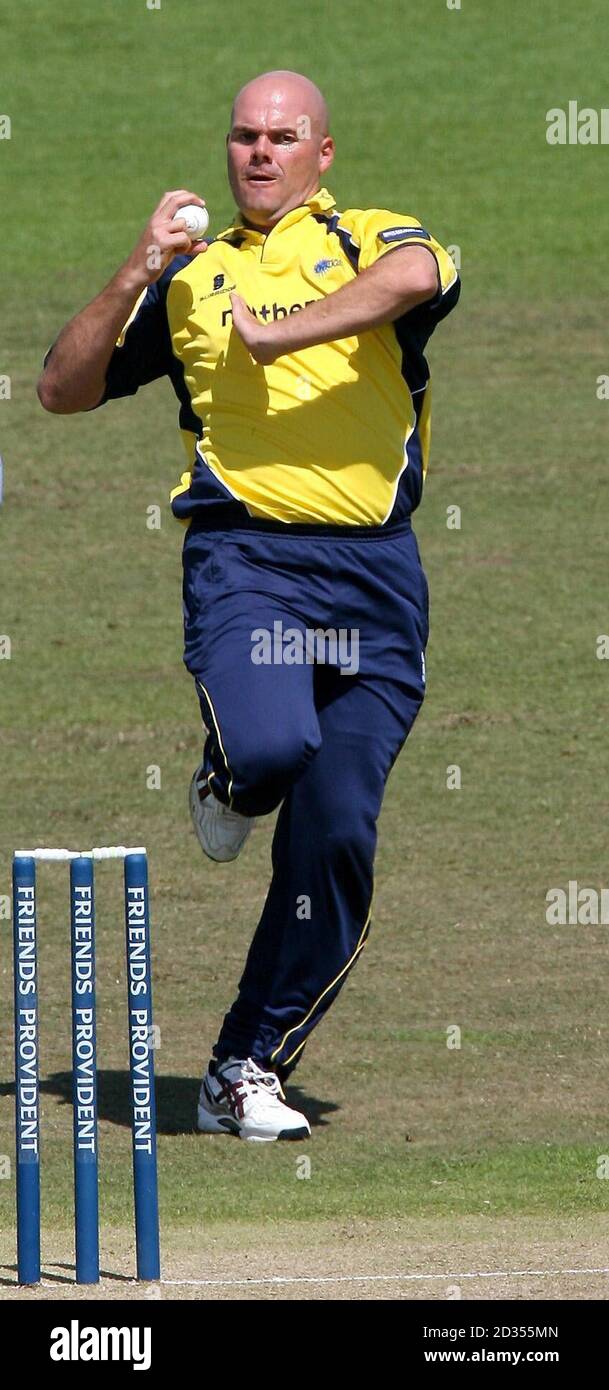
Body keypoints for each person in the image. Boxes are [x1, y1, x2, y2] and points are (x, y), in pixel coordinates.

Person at [38, 70, 460, 1143]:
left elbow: (423, 270)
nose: (260, 152)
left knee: (339, 832)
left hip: (377, 577)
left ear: (323, 154)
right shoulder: (193, 277)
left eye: (283, 136)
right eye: (244, 136)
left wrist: (291, 330)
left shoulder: (366, 237)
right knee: (271, 752)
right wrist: (138, 268)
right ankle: (229, 775)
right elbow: (62, 388)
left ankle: (246, 1066)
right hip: (251, 562)